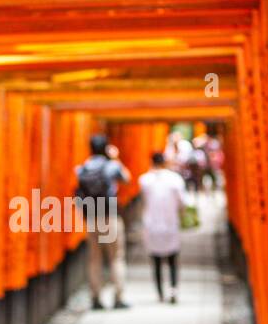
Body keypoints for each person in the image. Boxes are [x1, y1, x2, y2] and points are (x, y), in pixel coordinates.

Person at [75, 133, 131, 310]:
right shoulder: (111, 166)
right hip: (110, 216)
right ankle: (118, 297)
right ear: (106, 148)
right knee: (116, 257)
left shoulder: (82, 168)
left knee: (94, 259)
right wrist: (115, 157)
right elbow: (127, 179)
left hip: (92, 217)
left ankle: (95, 298)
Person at [138, 151, 187, 304]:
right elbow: (182, 202)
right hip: (170, 222)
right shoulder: (175, 179)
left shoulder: (145, 180)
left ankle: (160, 292)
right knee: (172, 258)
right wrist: (183, 213)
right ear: (165, 162)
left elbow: (143, 200)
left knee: (156, 260)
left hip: (152, 223)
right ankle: (173, 289)